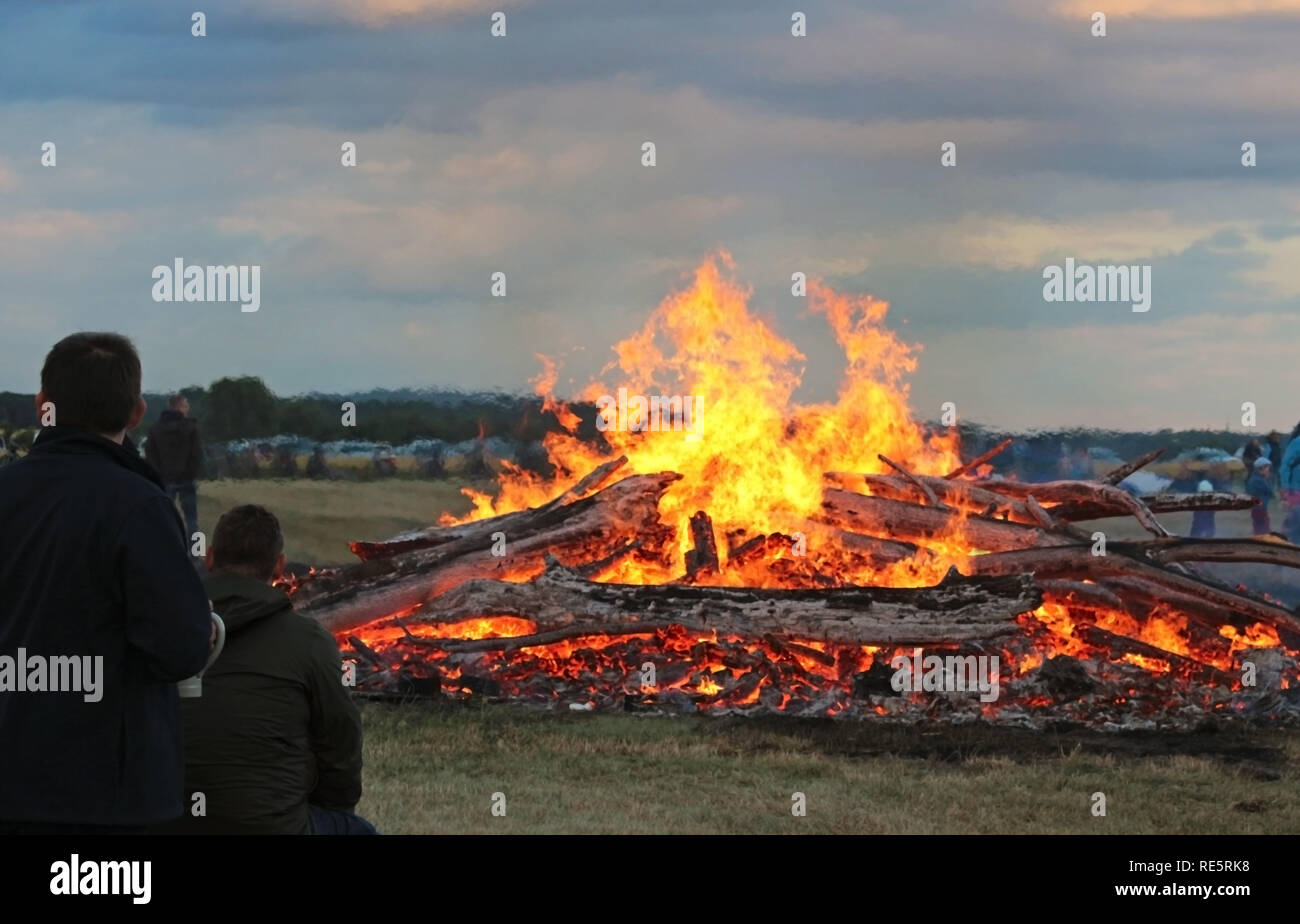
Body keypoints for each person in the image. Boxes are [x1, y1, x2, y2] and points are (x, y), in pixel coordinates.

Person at [0, 332, 213, 833]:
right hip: (109, 799)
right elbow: (181, 649)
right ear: (137, 413)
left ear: (42, 407)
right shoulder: (140, 505)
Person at [173, 504, 374, 835]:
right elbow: (341, 746)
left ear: (209, 558)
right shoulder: (309, 641)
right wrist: (332, 809)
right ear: (279, 567)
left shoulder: (165, 633)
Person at [145, 394, 203, 543]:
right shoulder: (190, 427)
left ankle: (165, 550)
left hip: (164, 479)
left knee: (164, 520)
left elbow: (150, 456)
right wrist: (195, 474)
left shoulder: (155, 429)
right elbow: (196, 454)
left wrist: (157, 476)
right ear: (179, 407)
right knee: (192, 521)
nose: (187, 408)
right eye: (185, 405)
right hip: (187, 479)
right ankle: (196, 554)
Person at [1245, 457, 1274, 535]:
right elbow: (1270, 491)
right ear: (1261, 468)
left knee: (1261, 526)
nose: (1268, 470)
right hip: (1259, 508)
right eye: (1267, 467)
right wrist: (1268, 480)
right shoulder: (1256, 480)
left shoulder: (1259, 479)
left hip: (1260, 507)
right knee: (1262, 528)